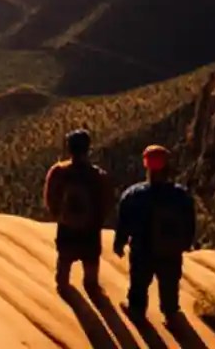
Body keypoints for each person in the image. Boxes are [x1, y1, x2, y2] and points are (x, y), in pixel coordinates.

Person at [113, 144, 196, 321]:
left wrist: (119, 242)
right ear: (167, 167)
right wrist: (186, 243)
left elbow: (123, 222)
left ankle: (136, 310)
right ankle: (171, 313)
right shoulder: (181, 195)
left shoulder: (133, 194)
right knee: (169, 284)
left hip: (142, 251)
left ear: (146, 166)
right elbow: (190, 222)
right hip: (170, 251)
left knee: (139, 284)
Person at [43, 128, 113, 293]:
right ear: (88, 148)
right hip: (90, 233)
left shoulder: (58, 172)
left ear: (69, 148)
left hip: (66, 230)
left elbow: (50, 199)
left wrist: (59, 217)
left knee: (63, 275)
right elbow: (107, 203)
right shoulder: (98, 175)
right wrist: (97, 221)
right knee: (91, 281)